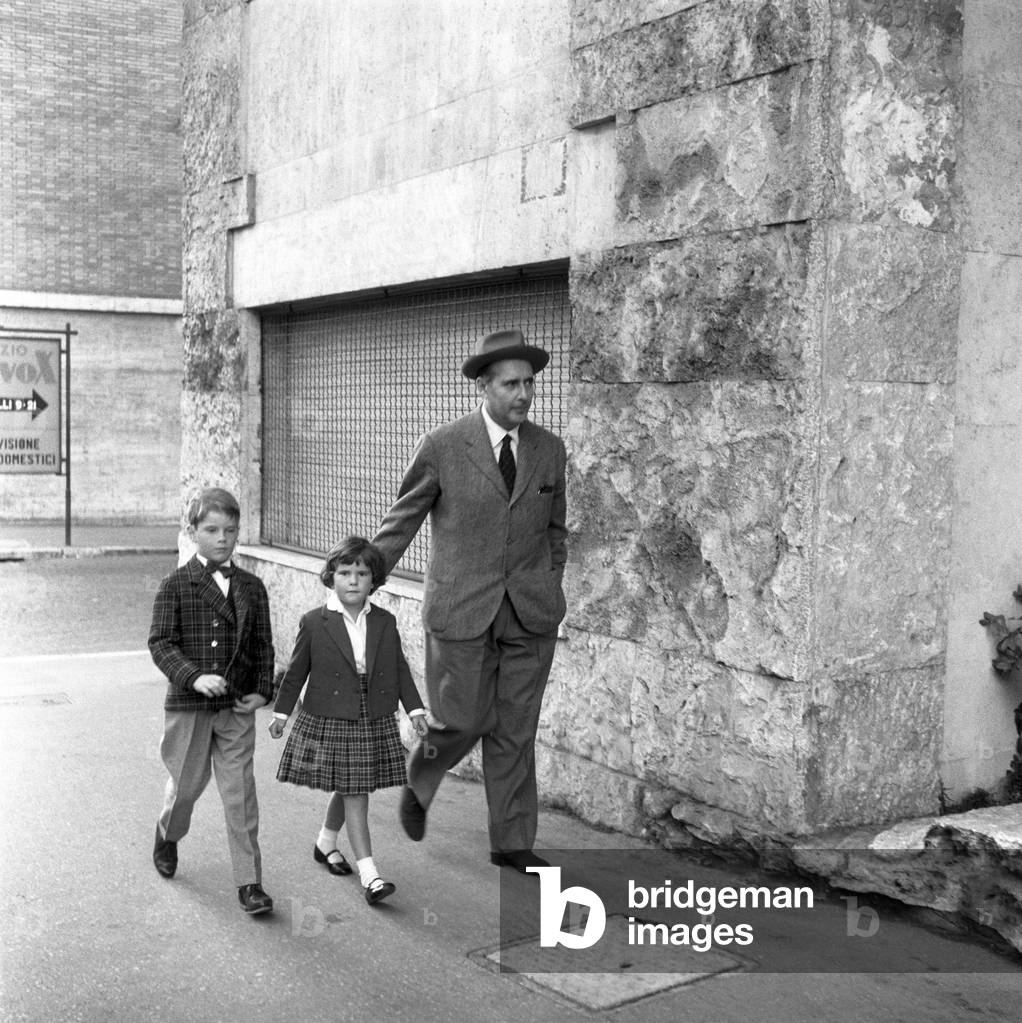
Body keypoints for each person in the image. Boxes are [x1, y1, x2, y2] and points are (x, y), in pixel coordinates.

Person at [372, 328, 568, 874]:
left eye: (530, 383)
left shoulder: (550, 449)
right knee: (460, 721)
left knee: (515, 730)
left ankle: (511, 842)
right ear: (484, 385)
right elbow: (404, 516)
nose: (524, 394)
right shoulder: (443, 445)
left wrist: (551, 579)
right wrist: (368, 572)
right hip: (461, 609)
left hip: (529, 611)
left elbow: (556, 529)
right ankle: (421, 779)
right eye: (511, 384)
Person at [269, 536, 428, 905]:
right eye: (344, 572)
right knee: (356, 789)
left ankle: (326, 843)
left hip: (371, 714)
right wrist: (281, 713)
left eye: (362, 573)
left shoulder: (386, 622)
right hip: (332, 714)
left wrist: (416, 710)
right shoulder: (314, 622)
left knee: (352, 783)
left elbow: (398, 669)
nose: (353, 580)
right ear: (331, 577)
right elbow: (296, 673)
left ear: (374, 580)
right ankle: (371, 875)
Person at [149, 487, 276, 915]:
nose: (223, 538)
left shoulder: (252, 588)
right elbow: (161, 644)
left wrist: (263, 689)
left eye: (231, 530)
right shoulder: (175, 585)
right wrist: (194, 676)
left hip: (237, 709)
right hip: (189, 708)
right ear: (193, 531)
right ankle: (168, 833)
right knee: (185, 787)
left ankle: (249, 882)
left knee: (240, 794)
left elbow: (262, 645)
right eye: (212, 529)